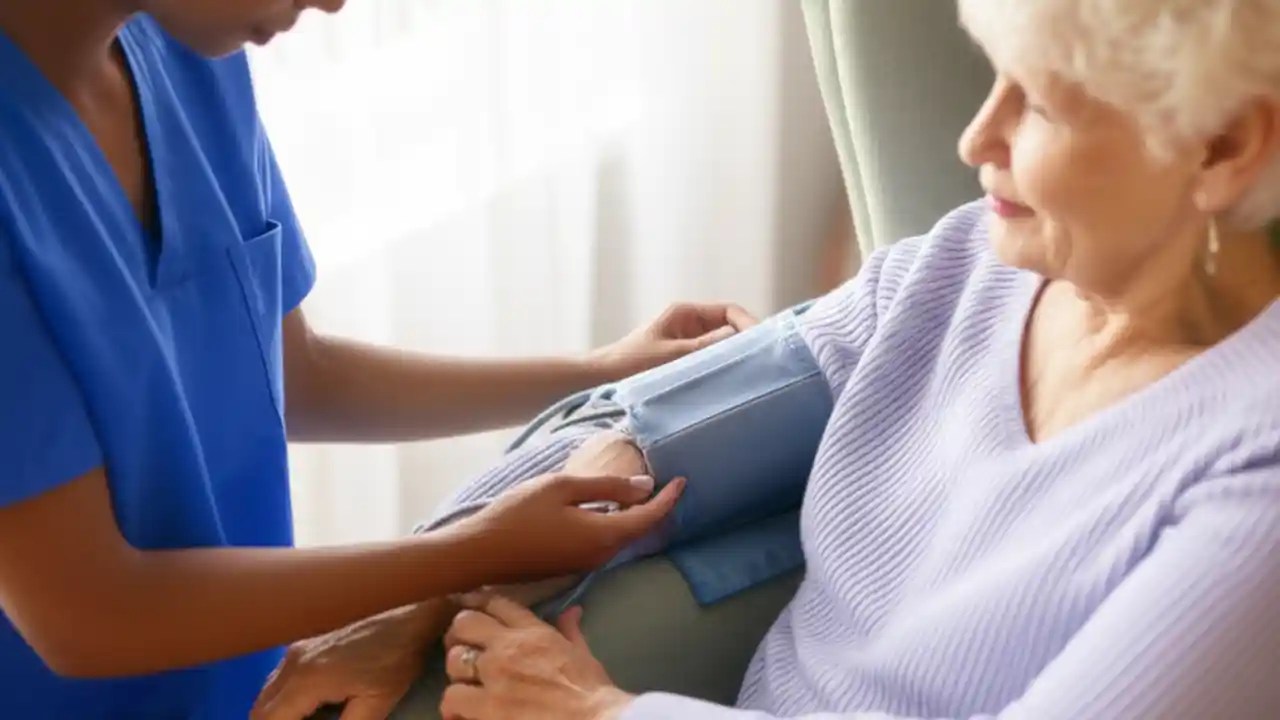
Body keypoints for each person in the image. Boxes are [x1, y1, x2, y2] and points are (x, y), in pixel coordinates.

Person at [292, 0, 1279, 718]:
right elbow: (657, 435)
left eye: (1044, 108)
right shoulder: (963, 264)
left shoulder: (1255, 470)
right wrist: (420, 600)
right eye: (992, 77)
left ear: (1223, 146)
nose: (975, 134)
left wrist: (603, 716)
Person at [0, 2, 757, 718]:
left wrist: (598, 371)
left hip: (260, 688)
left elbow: (293, 374)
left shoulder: (186, 55)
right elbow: (86, 613)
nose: (333, 5)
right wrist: (470, 552)